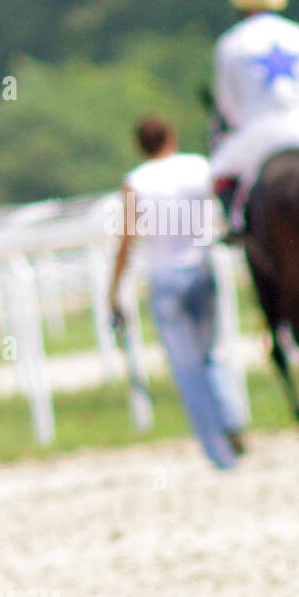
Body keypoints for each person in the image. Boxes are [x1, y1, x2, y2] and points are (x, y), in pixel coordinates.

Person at [109, 117, 245, 470]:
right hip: (201, 267)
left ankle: (219, 453)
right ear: (171, 137)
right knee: (211, 353)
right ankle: (231, 417)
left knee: (186, 367)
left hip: (165, 276)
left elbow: (127, 240)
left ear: (140, 146)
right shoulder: (197, 167)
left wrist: (114, 289)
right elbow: (227, 203)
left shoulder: (136, 182)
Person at [209, 0, 299, 238]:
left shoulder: (230, 43)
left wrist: (239, 125)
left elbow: (228, 105)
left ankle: (237, 229)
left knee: (217, 170)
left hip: (259, 134)